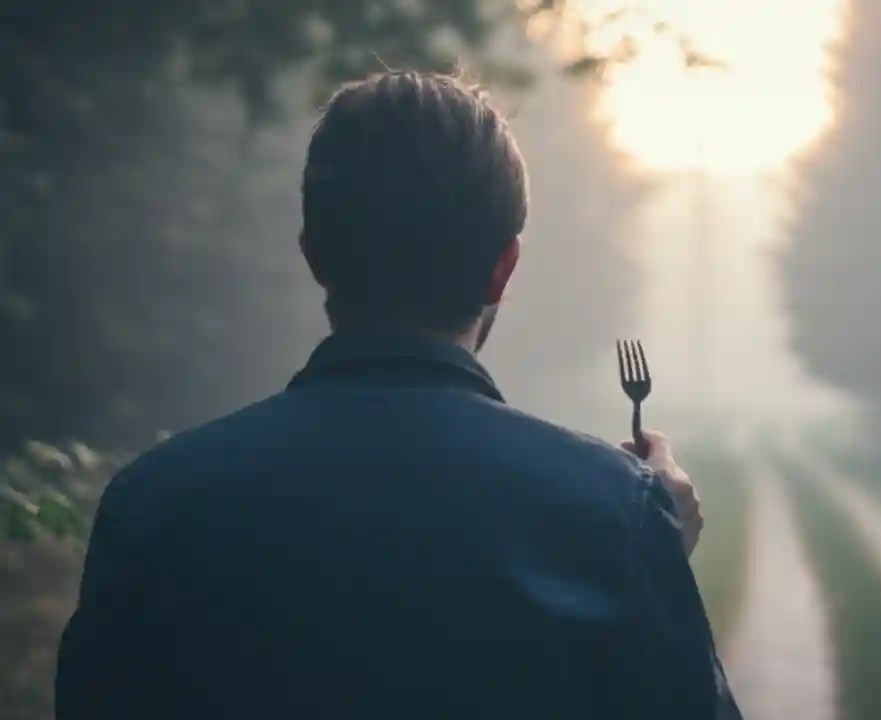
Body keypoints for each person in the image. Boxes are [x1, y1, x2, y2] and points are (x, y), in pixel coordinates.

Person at [56, 71, 740, 719]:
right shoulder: (612, 514)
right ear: (503, 269)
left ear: (315, 254)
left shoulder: (155, 504)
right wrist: (650, 553)